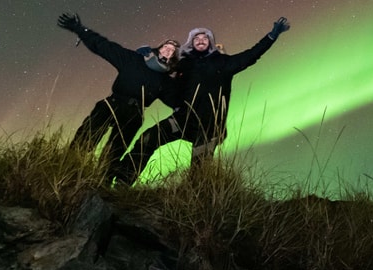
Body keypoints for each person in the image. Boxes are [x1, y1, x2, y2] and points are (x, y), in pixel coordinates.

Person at [126, 17, 289, 182]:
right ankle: (123, 179)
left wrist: (271, 36)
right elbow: (160, 66)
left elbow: (252, 54)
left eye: (205, 38)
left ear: (211, 43)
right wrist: (148, 54)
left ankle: (196, 195)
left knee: (199, 169)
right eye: (196, 38)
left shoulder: (225, 63)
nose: (200, 40)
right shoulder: (183, 64)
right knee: (148, 138)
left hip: (209, 126)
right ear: (191, 43)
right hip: (183, 119)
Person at [57, 12, 181, 185]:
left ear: (172, 57)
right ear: (159, 48)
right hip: (112, 104)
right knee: (86, 136)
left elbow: (177, 101)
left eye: (172, 51)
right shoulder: (133, 59)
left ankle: (102, 184)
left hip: (134, 114)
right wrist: (79, 29)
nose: (168, 49)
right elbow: (103, 46)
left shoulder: (165, 81)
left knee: (115, 151)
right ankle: (66, 172)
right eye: (166, 46)